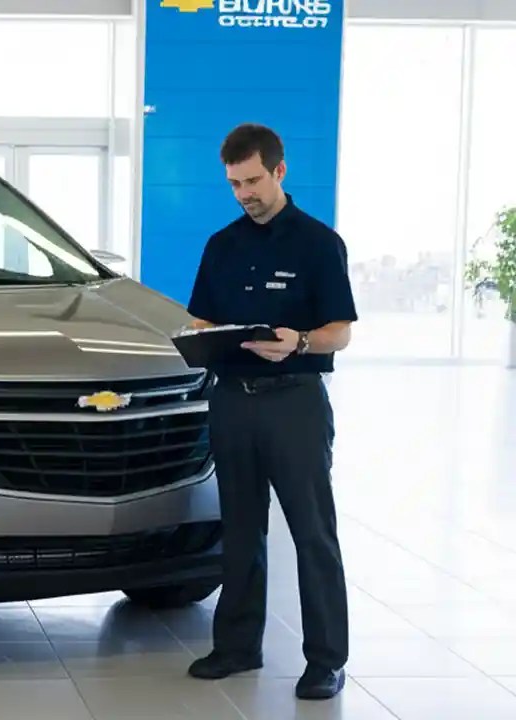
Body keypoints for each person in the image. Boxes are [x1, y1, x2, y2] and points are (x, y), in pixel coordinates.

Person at [184, 123, 357, 701]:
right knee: (240, 530)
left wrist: (300, 342)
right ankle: (236, 646)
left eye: (253, 180)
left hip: (294, 403)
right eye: (234, 183)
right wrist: (197, 338)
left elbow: (340, 333)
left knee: (312, 532)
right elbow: (203, 320)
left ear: (279, 172)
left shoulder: (318, 243)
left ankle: (326, 659)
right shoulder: (221, 245)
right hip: (232, 400)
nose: (244, 193)